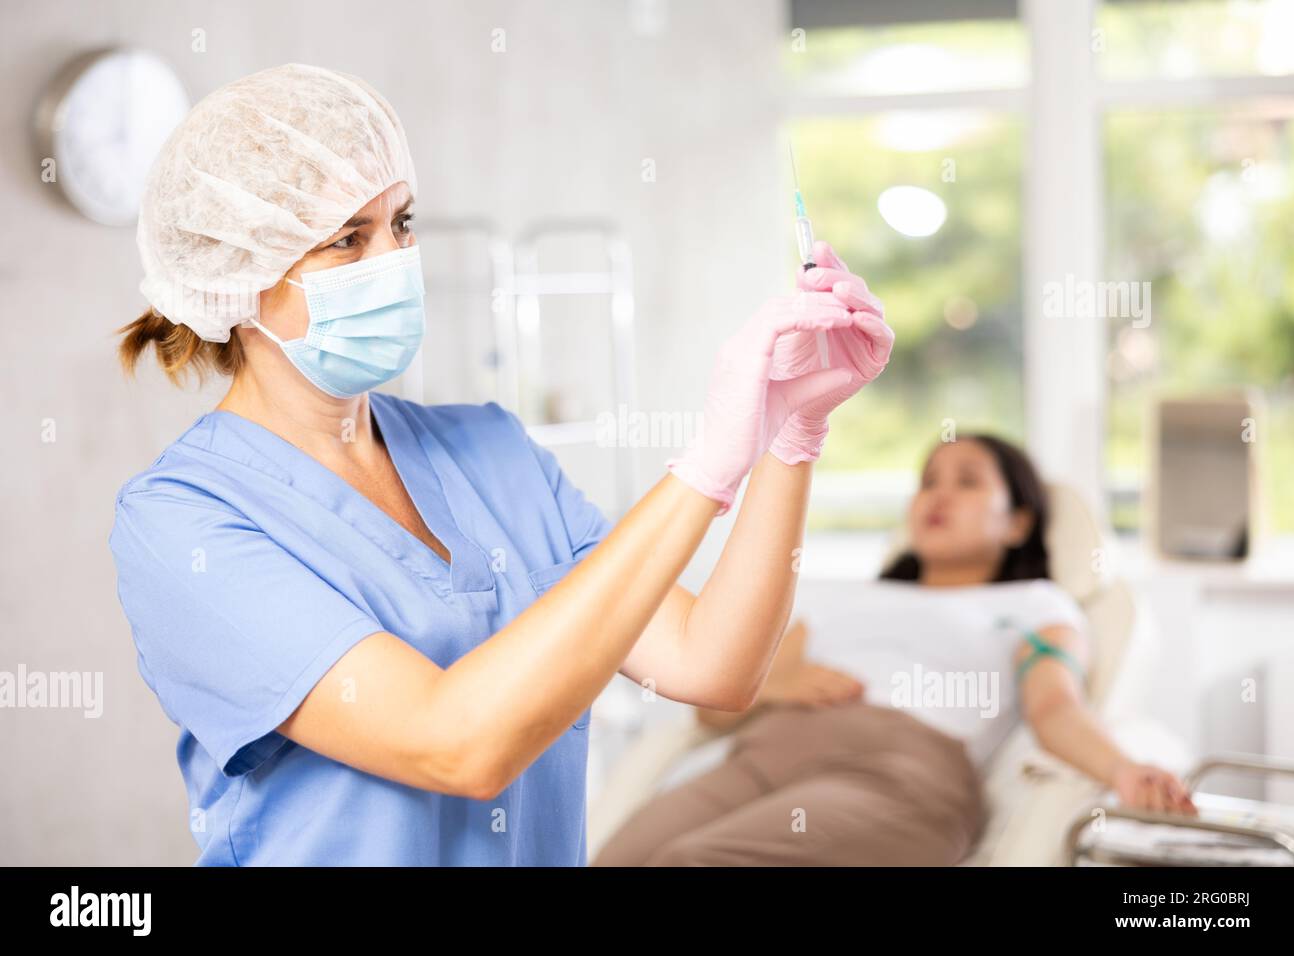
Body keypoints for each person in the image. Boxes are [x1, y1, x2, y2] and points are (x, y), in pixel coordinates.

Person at [108, 62, 894, 865]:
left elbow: (713, 665)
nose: (394, 261)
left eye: (402, 224)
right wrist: (701, 469)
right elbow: (455, 745)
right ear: (241, 276)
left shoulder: (490, 450)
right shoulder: (182, 522)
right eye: (349, 239)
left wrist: (790, 435)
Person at [591, 434, 1198, 866]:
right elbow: (712, 704)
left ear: (1017, 522)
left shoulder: (1039, 604)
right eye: (929, 481)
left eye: (967, 482)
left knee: (700, 862)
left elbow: (1057, 710)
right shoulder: (850, 601)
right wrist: (773, 687)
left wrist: (1123, 770)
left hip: (894, 778)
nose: (939, 494)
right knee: (620, 860)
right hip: (762, 757)